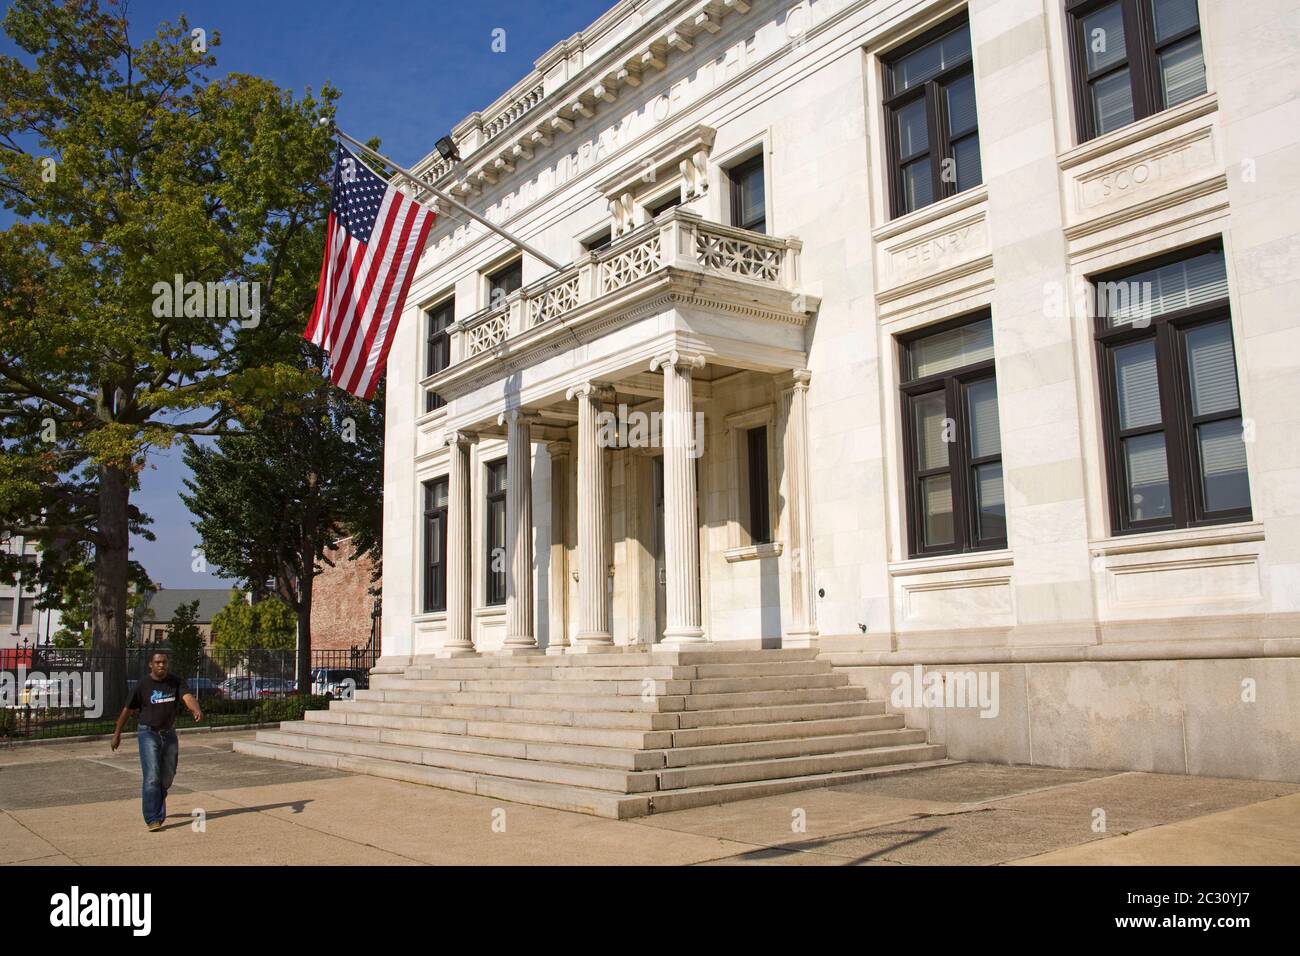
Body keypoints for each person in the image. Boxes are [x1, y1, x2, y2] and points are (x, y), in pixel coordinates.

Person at [111, 650, 203, 831]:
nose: (162, 665)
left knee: (167, 777)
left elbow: (187, 697)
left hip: (169, 734)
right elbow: (126, 711)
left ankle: (157, 797)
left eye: (164, 662)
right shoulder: (142, 685)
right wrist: (117, 734)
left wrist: (195, 709)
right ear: (151, 665)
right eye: (158, 662)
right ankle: (153, 818)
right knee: (152, 776)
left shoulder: (175, 681)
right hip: (148, 733)